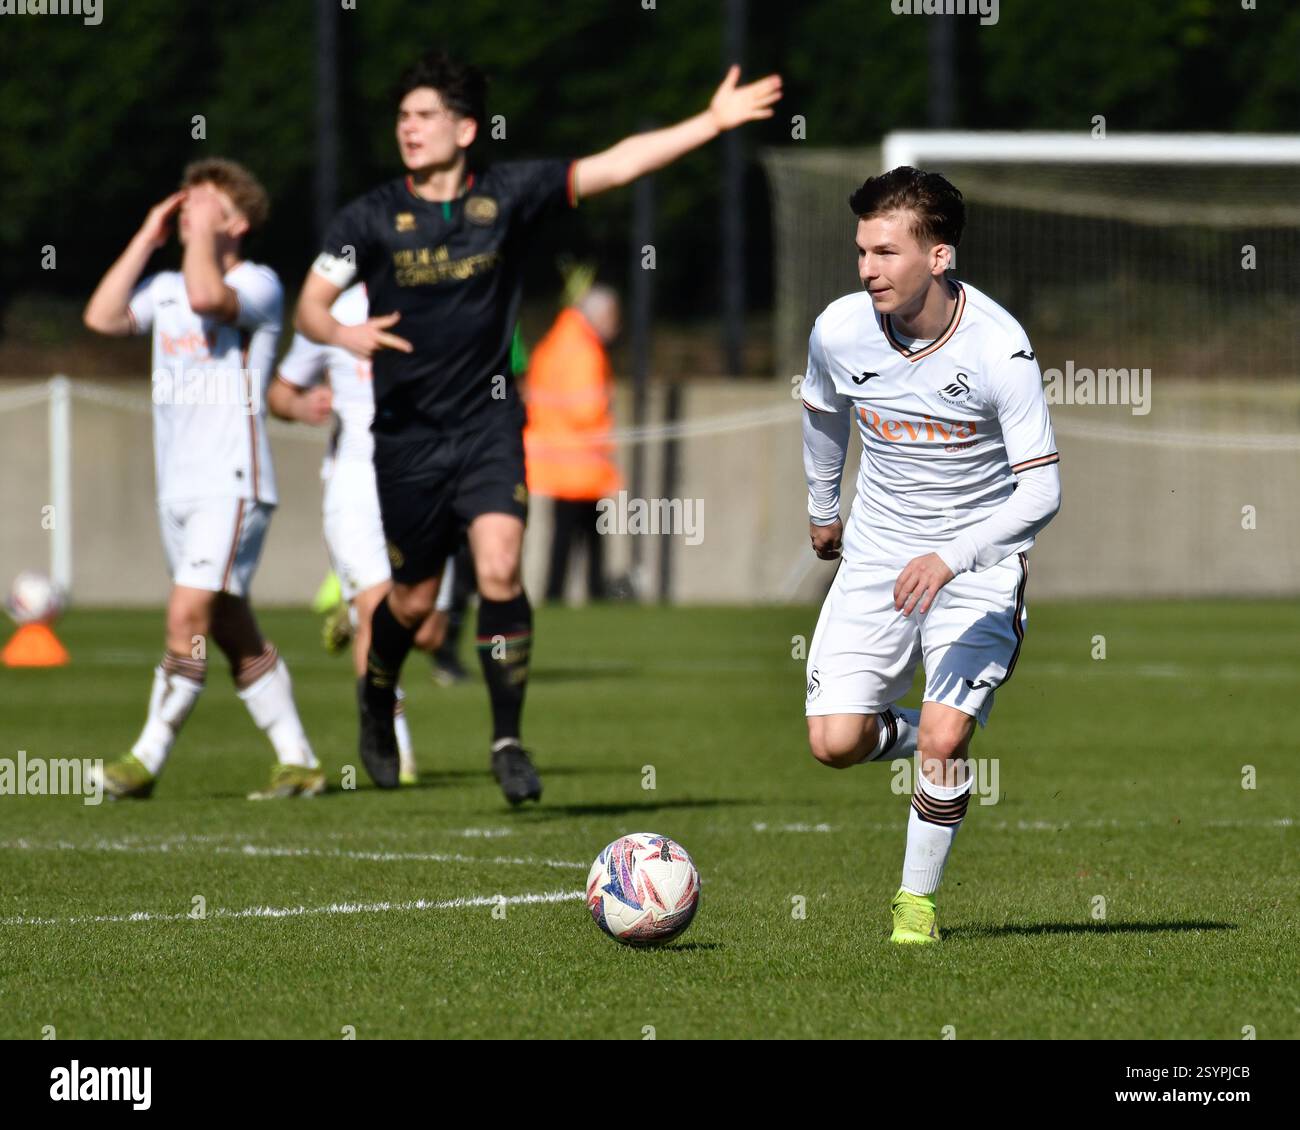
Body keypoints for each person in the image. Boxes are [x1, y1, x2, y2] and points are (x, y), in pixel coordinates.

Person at [294, 48, 781, 803]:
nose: (409, 129)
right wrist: (338, 331)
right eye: (402, 118)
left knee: (499, 565)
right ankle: (375, 699)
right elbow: (310, 304)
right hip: (406, 437)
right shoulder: (370, 215)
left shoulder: (510, 193)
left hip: (488, 423)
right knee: (414, 605)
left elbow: (614, 166)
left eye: (424, 116)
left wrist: (710, 123)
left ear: (463, 129)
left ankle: (508, 739)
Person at [800, 166, 1061, 943]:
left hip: (976, 567)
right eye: (861, 251)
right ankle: (927, 727)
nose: (867, 269)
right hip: (877, 558)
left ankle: (915, 908)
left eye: (885, 252)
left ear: (938, 257)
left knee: (947, 742)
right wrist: (822, 510)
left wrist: (952, 556)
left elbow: (1041, 492)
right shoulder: (839, 329)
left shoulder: (998, 348)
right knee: (834, 743)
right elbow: (822, 411)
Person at [83, 159, 322, 800]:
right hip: (178, 488)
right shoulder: (165, 286)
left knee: (186, 612)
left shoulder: (259, 282)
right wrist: (146, 236)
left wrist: (197, 243)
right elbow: (102, 319)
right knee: (228, 626)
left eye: (204, 202)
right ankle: (298, 761)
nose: (187, 208)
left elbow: (208, 298)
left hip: (233, 481)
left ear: (237, 222)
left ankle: (143, 760)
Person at [268, 282, 455, 786]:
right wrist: (302, 405)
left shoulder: (443, 294)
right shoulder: (331, 311)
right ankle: (396, 750)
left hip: (427, 477)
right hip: (357, 481)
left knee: (430, 629)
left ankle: (353, 616)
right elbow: (280, 393)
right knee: (377, 607)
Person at [522, 284, 622, 602]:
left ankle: (563, 592)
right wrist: (606, 405)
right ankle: (582, 591)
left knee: (572, 531)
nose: (614, 326)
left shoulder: (553, 342)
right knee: (579, 532)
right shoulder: (583, 349)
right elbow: (584, 408)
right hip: (579, 457)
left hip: (557, 456)